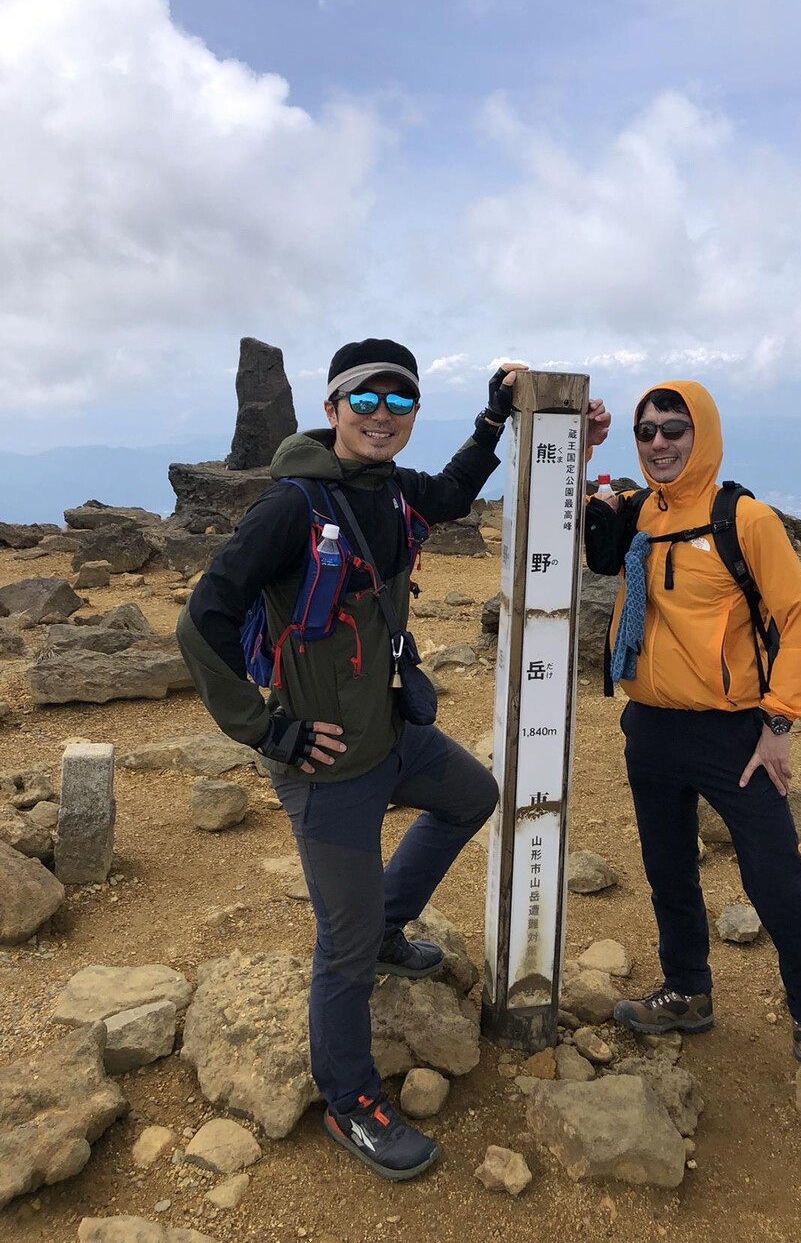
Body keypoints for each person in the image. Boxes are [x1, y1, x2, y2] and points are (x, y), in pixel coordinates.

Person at [178, 340, 518, 1182]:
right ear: (331, 409)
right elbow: (203, 620)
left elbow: (443, 495)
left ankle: (389, 926)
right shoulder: (290, 506)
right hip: (326, 762)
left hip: (393, 733)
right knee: (342, 942)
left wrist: (491, 423)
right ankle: (351, 1102)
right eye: (365, 399)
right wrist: (268, 732)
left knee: (473, 794)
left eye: (400, 403)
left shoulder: (390, 489)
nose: (382, 415)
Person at [583, 380, 801, 1085]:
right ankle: (686, 992)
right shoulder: (637, 511)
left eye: (674, 429)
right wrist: (581, 450)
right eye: (647, 432)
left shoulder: (745, 518)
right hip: (650, 726)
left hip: (735, 734)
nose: (660, 443)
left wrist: (779, 722)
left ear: (701, 432)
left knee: (774, 876)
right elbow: (569, 530)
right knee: (667, 868)